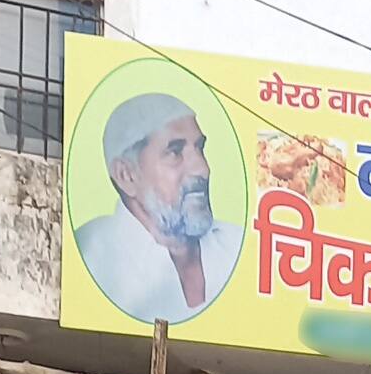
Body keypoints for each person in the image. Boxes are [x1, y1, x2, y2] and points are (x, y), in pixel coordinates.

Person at [75, 93, 244, 324]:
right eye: (175, 152)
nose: (202, 169)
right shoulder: (92, 254)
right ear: (126, 175)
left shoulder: (237, 245)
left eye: (199, 148)